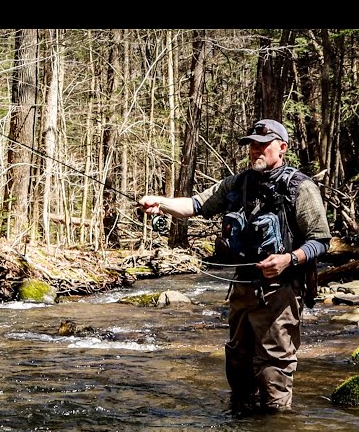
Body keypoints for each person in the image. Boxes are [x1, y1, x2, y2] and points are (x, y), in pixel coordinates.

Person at [138, 118, 331, 413]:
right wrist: (159, 202)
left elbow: (320, 241)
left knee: (273, 373)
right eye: (252, 145)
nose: (255, 151)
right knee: (238, 368)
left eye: (262, 145)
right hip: (241, 290)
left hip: (280, 292)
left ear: (282, 148)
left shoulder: (301, 188)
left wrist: (288, 260)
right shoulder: (237, 183)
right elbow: (194, 205)